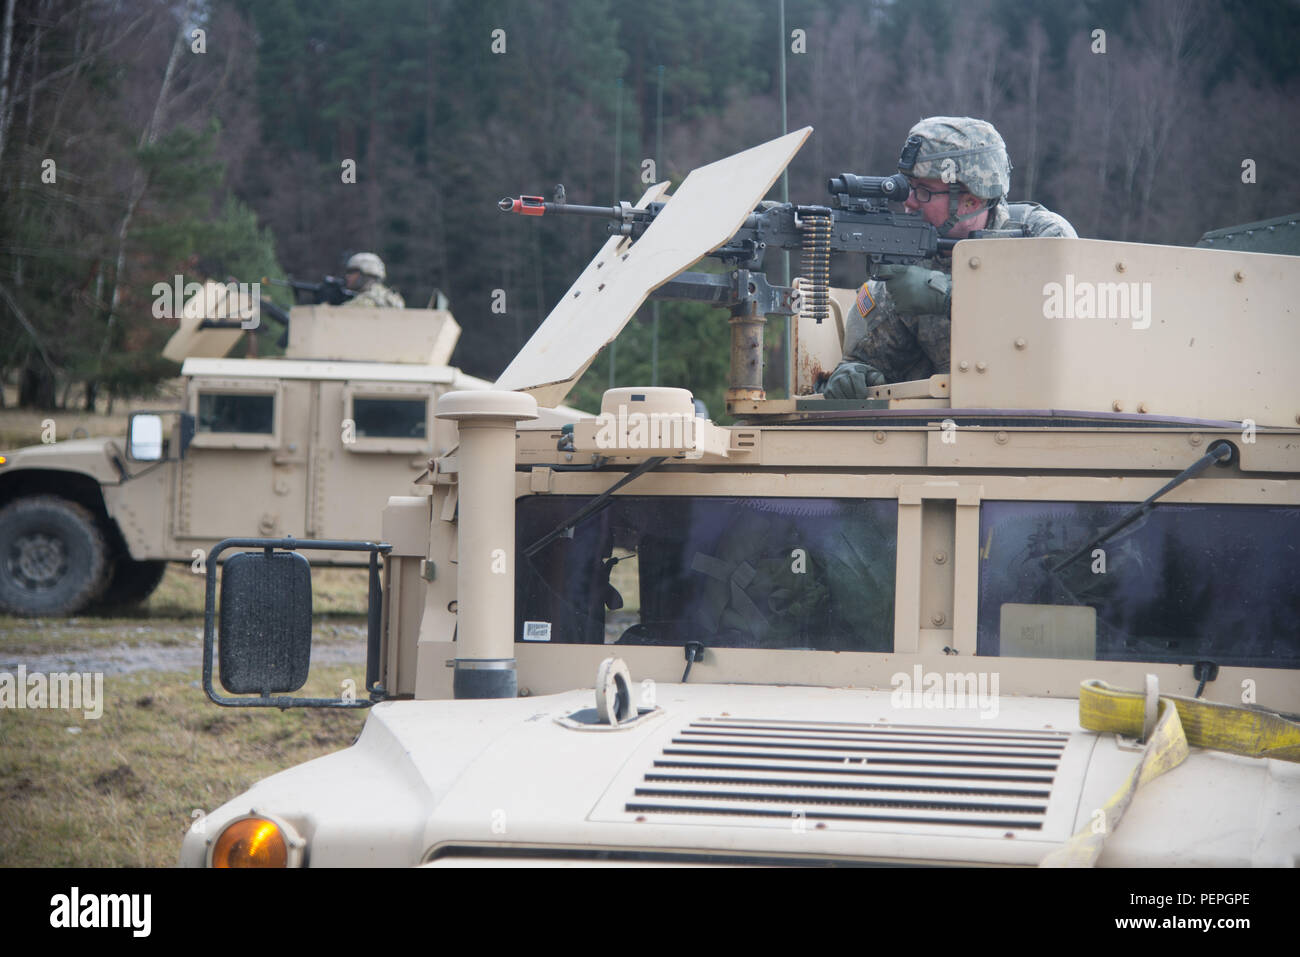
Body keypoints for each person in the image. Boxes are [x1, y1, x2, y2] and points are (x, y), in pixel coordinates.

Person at [822, 116, 1076, 397]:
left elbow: (1064, 318)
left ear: (972, 199)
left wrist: (951, 297)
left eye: (923, 191)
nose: (908, 201)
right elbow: (877, 362)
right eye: (907, 186)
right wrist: (856, 373)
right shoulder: (913, 263)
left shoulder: (1044, 237)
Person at [340, 252, 405, 308]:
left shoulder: (368, 300)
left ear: (365, 274)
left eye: (352, 271)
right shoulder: (390, 297)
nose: (347, 276)